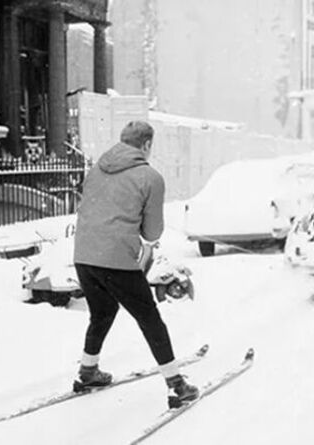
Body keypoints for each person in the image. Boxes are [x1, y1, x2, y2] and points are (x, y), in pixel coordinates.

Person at [72, 120, 199, 407]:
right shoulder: (150, 177)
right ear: (146, 145)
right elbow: (151, 233)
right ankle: (177, 385)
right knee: (149, 319)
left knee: (102, 312)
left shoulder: (96, 168)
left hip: (83, 255)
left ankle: (88, 371)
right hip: (115, 259)